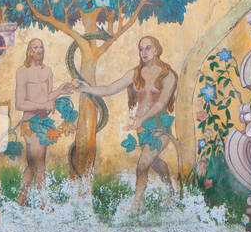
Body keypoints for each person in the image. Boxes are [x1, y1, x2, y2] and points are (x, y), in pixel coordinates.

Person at [74, 35, 178, 211]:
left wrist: (141, 118)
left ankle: (135, 206)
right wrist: (87, 88)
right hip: (142, 128)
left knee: (143, 162)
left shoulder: (168, 75)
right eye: (141, 48)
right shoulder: (135, 73)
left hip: (160, 126)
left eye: (148, 48)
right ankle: (171, 191)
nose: (144, 52)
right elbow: (109, 88)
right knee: (153, 162)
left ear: (157, 49)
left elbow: (161, 103)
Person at [14, 38, 75, 204]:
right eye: (35, 47)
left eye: (41, 47)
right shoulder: (22, 72)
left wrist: (61, 91)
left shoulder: (47, 71)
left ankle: (21, 199)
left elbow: (47, 97)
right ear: (29, 51)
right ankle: (44, 203)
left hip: (44, 122)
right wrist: (43, 104)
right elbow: (19, 103)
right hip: (30, 123)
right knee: (40, 164)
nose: (39, 50)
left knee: (33, 165)